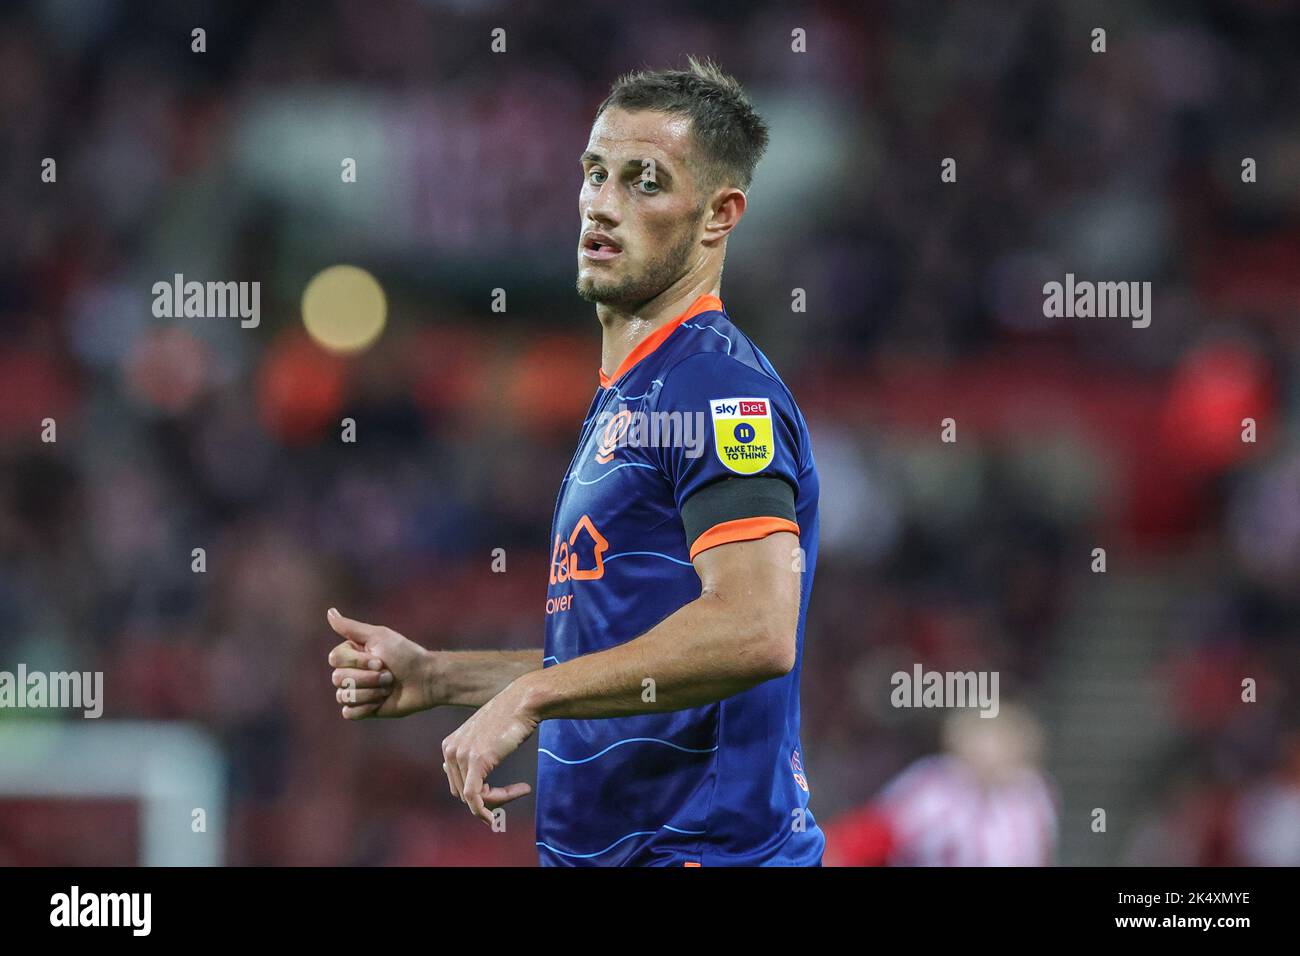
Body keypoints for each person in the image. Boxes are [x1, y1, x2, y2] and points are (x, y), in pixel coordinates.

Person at [326, 56, 824, 866]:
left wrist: (531, 695)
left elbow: (755, 630)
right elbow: (635, 659)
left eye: (644, 181)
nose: (602, 203)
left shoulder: (715, 390)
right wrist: (443, 678)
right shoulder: (631, 397)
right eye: (595, 174)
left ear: (718, 215)